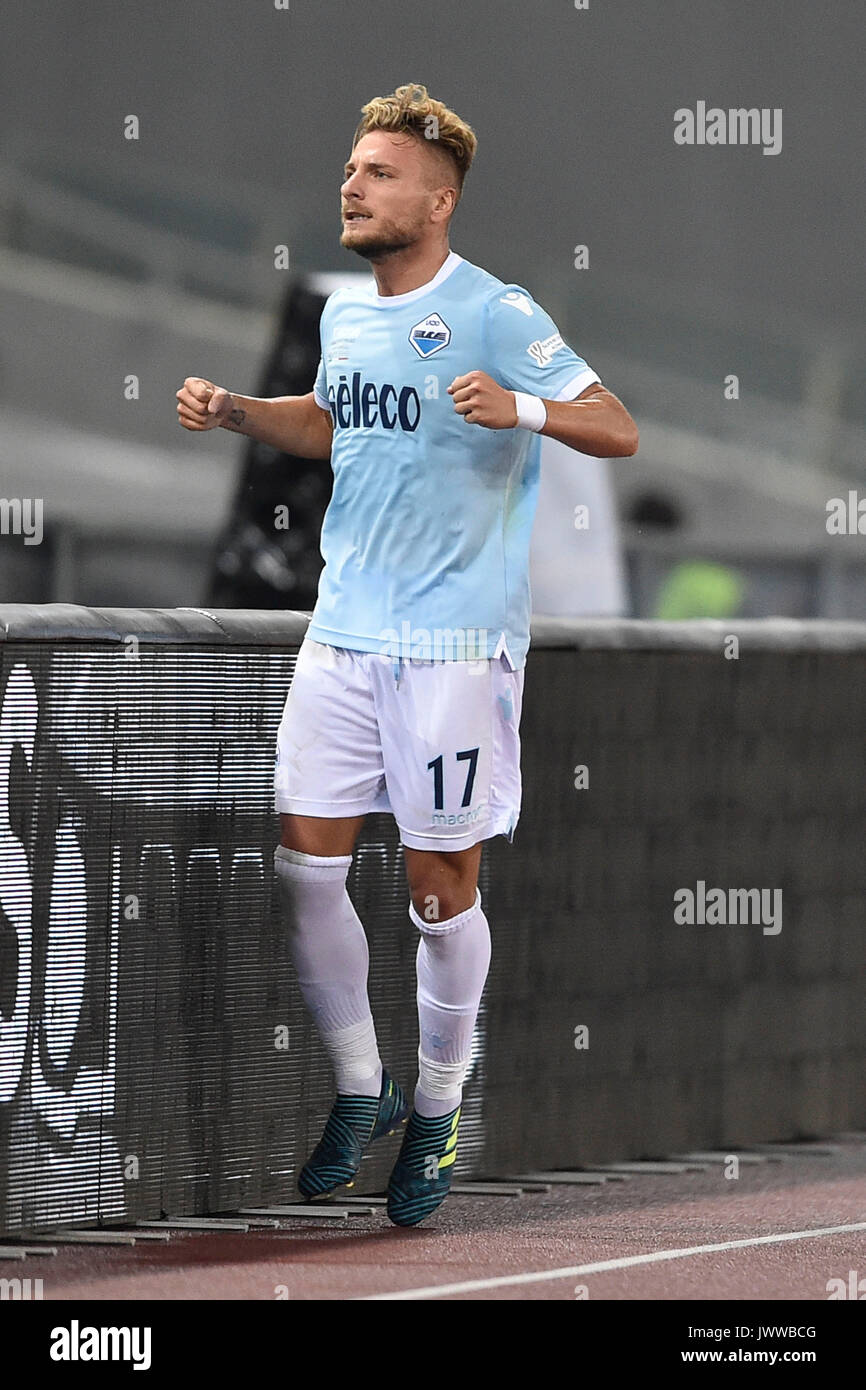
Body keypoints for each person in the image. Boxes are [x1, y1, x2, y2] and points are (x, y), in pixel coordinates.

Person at [176, 82, 638, 1227]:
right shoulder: (347, 317)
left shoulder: (493, 310)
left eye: (377, 172)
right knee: (303, 866)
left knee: (437, 893)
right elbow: (335, 424)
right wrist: (239, 409)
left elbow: (616, 424)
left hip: (452, 651)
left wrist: (521, 412)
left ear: (436, 199)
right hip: (342, 634)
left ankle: (436, 1109)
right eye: (350, 166)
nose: (352, 183)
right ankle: (358, 1086)